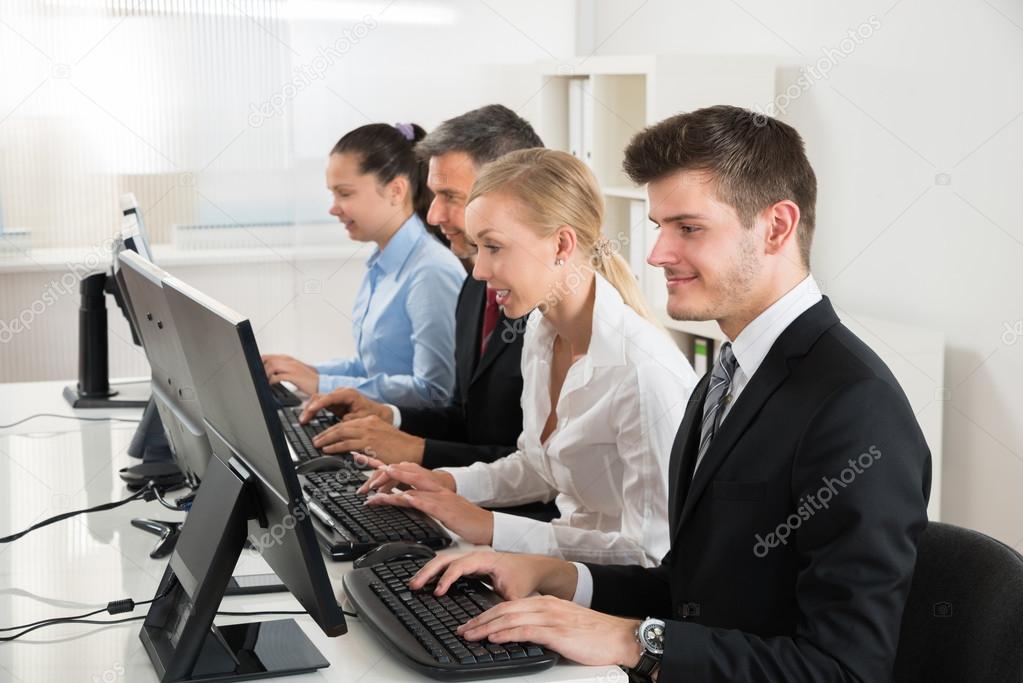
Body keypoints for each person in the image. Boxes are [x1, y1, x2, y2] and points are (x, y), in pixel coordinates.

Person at [404, 106, 932, 682]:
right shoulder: (730, 372)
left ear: (777, 227)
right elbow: (689, 587)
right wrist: (554, 577)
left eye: (689, 228)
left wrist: (636, 640)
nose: (656, 254)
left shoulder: (854, 406)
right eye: (659, 227)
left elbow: (844, 671)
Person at [357, 148, 697, 567]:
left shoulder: (643, 372)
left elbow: (649, 555)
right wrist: (444, 482)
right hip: (564, 572)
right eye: (478, 246)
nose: (479, 270)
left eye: (494, 247)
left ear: (561, 244)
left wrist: (491, 527)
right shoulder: (540, 330)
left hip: (612, 599)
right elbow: (539, 467)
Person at [297, 105, 544, 475]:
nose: (432, 216)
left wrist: (418, 451)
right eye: (434, 195)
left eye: (451, 196)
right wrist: (390, 417)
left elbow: (543, 471)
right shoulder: (477, 289)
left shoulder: (549, 309)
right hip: (469, 492)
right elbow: (467, 419)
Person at [261, 123, 465, 408]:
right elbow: (374, 370)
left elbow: (433, 392)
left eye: (344, 193)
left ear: (396, 191)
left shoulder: (431, 271)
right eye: (332, 194)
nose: (333, 207)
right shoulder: (382, 264)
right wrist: (307, 371)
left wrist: (320, 384)